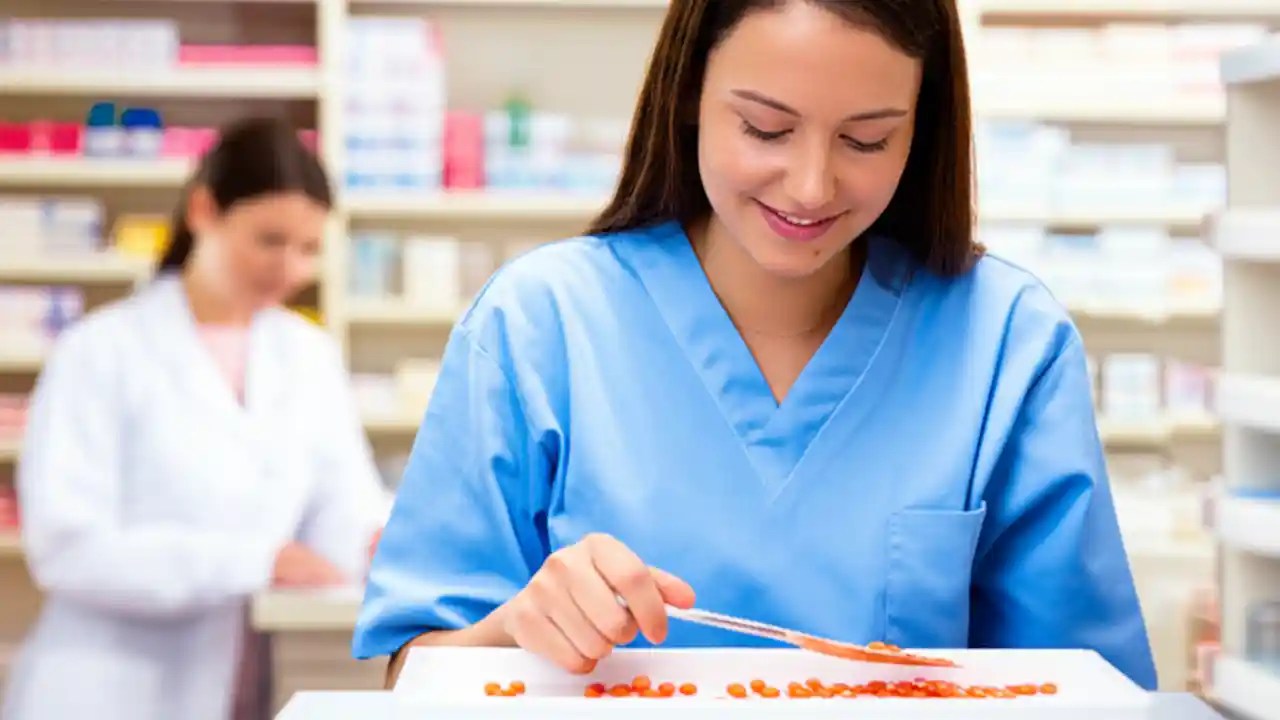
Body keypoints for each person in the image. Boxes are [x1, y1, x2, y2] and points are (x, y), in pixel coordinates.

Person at [352, 0, 1159, 691]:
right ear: (691, 96)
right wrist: (513, 631)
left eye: (867, 141)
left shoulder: (1006, 341)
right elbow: (412, 673)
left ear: (925, 127)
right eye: (766, 127)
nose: (810, 186)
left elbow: (1085, 686)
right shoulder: (538, 325)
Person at [3, 117, 389, 720]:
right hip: (104, 691)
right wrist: (256, 560)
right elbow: (67, 547)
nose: (289, 267)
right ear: (204, 211)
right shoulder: (100, 350)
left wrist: (377, 540)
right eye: (269, 240)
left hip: (246, 678)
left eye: (309, 248)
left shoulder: (307, 355)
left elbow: (344, 502)